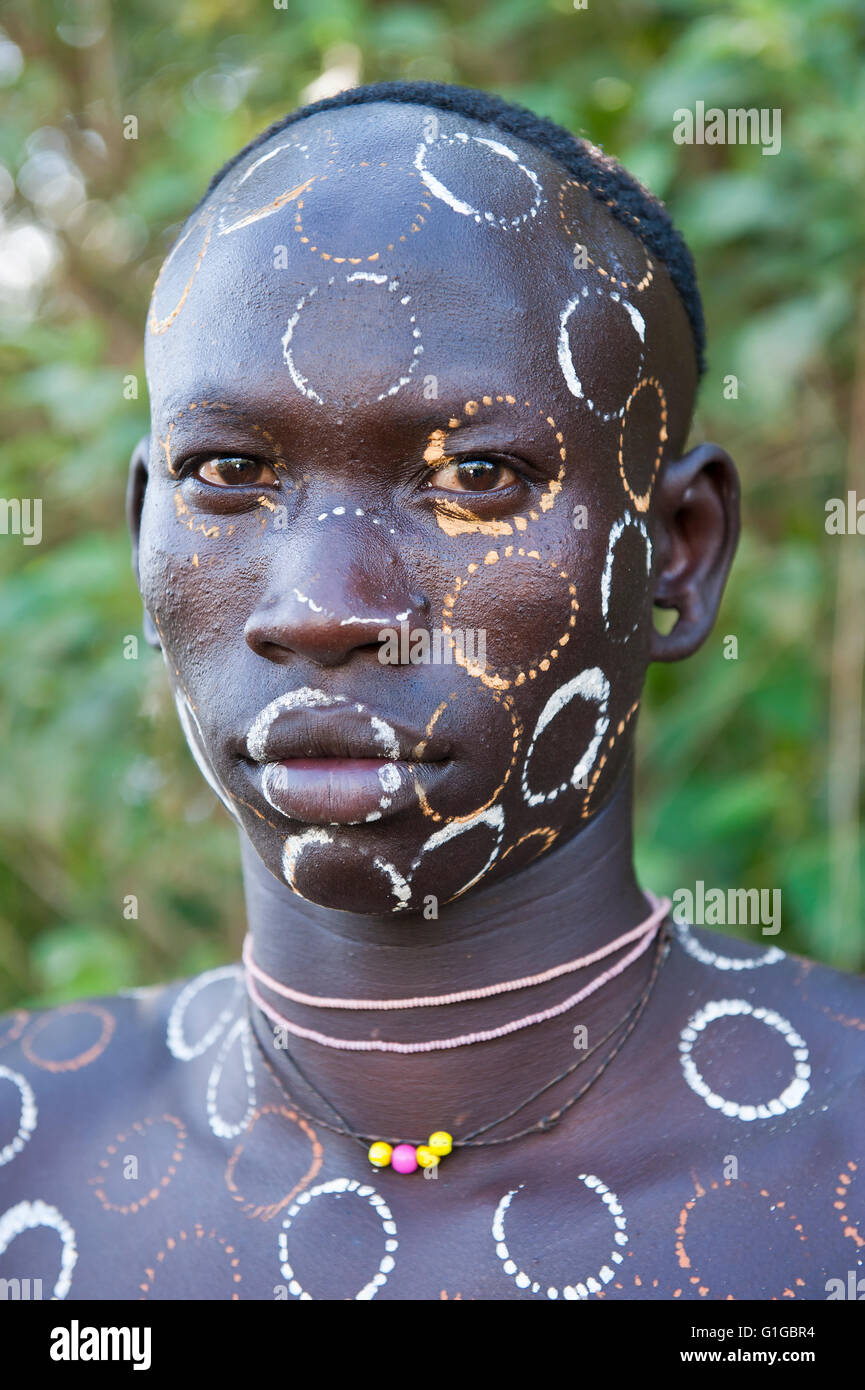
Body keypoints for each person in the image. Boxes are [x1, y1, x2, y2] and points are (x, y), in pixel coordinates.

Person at [1, 81, 862, 1303]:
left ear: (677, 548)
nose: (324, 606)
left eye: (476, 475)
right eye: (231, 473)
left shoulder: (837, 1166)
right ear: (147, 530)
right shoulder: (24, 1144)